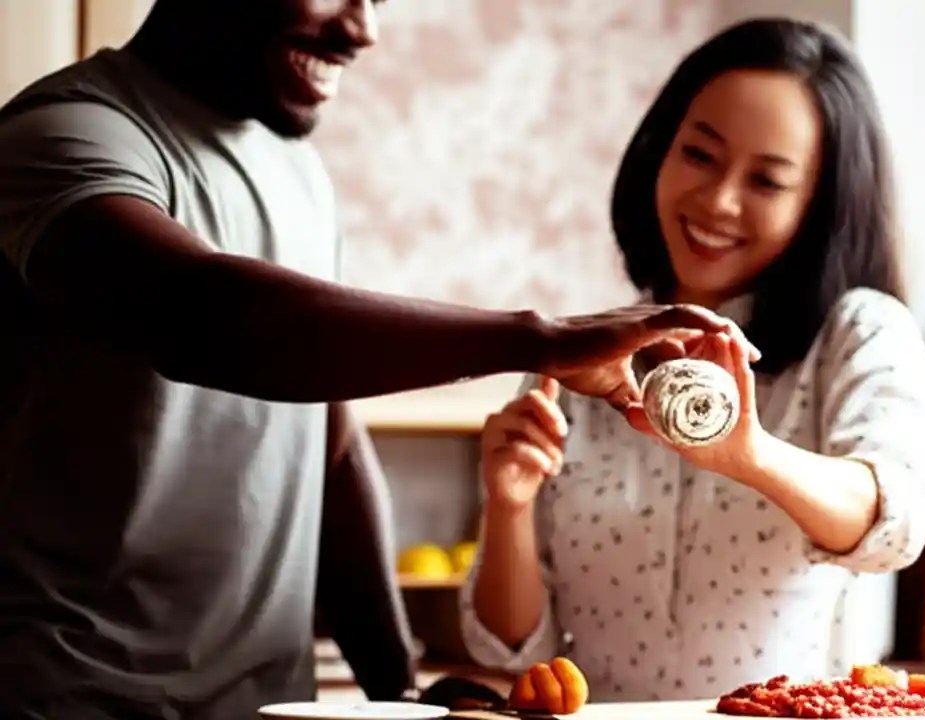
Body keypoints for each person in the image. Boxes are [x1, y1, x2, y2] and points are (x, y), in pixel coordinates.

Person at [0, 1, 753, 718]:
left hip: (262, 704)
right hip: (70, 696)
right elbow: (205, 319)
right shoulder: (67, 133)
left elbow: (327, 448)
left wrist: (398, 690)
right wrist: (538, 338)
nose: (363, 30)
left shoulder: (296, 171)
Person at [460, 17, 925, 701]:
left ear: (820, 205)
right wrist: (508, 504)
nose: (719, 201)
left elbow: (891, 522)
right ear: (660, 149)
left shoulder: (859, 335)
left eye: (768, 182)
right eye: (700, 154)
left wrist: (748, 455)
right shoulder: (577, 358)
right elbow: (514, 647)